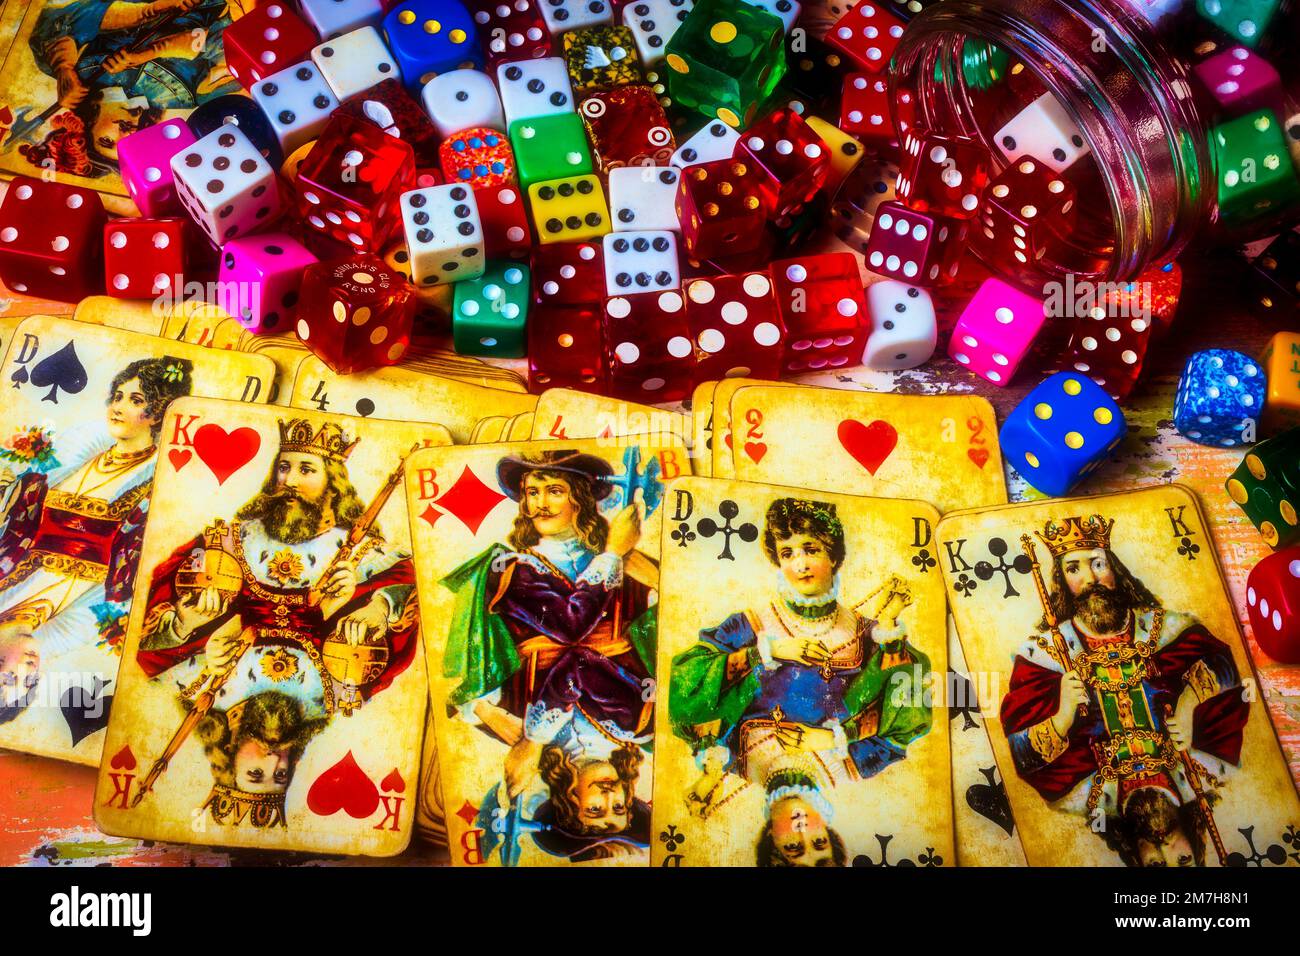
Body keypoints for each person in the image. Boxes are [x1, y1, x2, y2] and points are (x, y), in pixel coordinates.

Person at [134, 418, 418, 827]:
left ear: (332, 482)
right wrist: (189, 621)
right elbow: (152, 618)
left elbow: (408, 580)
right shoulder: (231, 539)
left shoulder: (207, 691)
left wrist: (371, 603)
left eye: (306, 469)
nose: (290, 480)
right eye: (284, 467)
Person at [668, 497, 932, 844]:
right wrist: (768, 650)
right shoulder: (751, 626)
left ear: (834, 556)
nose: (801, 564)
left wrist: (887, 625)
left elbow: (906, 701)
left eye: (811, 549)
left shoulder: (865, 634)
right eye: (788, 553)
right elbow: (687, 684)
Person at [1000, 514, 1248, 867]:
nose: (1089, 579)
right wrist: (1062, 715)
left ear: (1114, 568)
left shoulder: (1168, 629)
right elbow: (1021, 751)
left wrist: (1191, 710)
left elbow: (1225, 670)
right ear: (1062, 581)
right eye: (1074, 569)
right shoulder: (1045, 656)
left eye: (1098, 564)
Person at [441, 450, 655, 795]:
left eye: (554, 491)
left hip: (619, 717)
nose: (541, 503)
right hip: (535, 719)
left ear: (579, 500)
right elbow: (571, 625)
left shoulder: (627, 560)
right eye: (532, 492)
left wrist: (657, 578)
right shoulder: (514, 569)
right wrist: (614, 553)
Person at [0, 357, 193, 716]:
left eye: (134, 399)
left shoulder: (87, 452)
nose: (27, 669)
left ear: (157, 413)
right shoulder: (73, 631)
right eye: (28, 683)